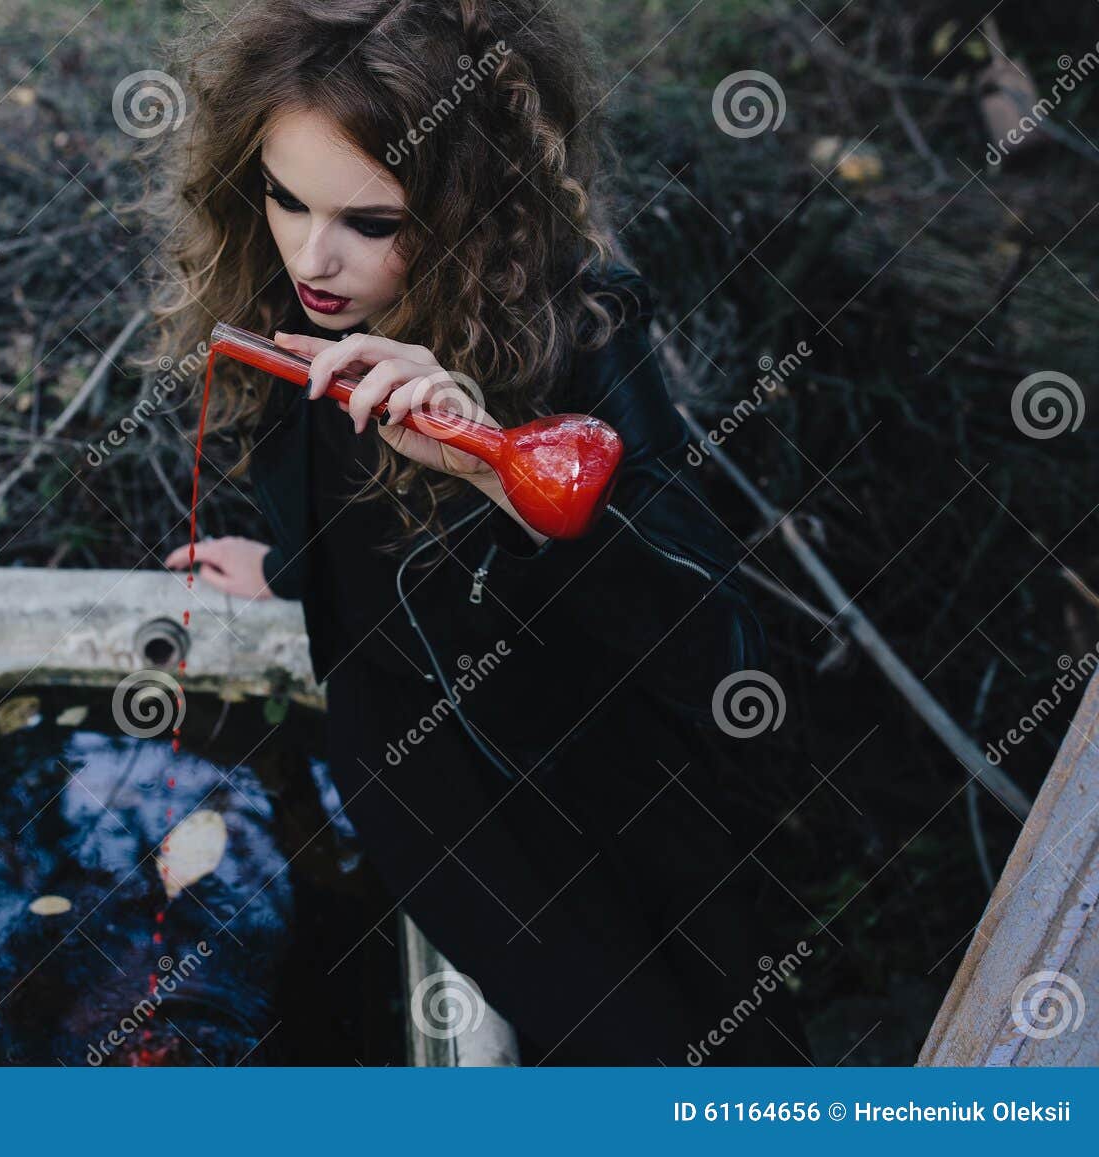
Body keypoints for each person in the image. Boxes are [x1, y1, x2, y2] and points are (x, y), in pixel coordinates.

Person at [143, 0, 811, 1064]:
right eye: (285, 199)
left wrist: (500, 470)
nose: (316, 256)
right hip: (405, 788)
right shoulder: (283, 302)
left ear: (469, 207)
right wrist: (284, 571)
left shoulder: (584, 332)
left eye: (373, 222)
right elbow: (346, 531)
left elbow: (715, 645)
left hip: (569, 810)